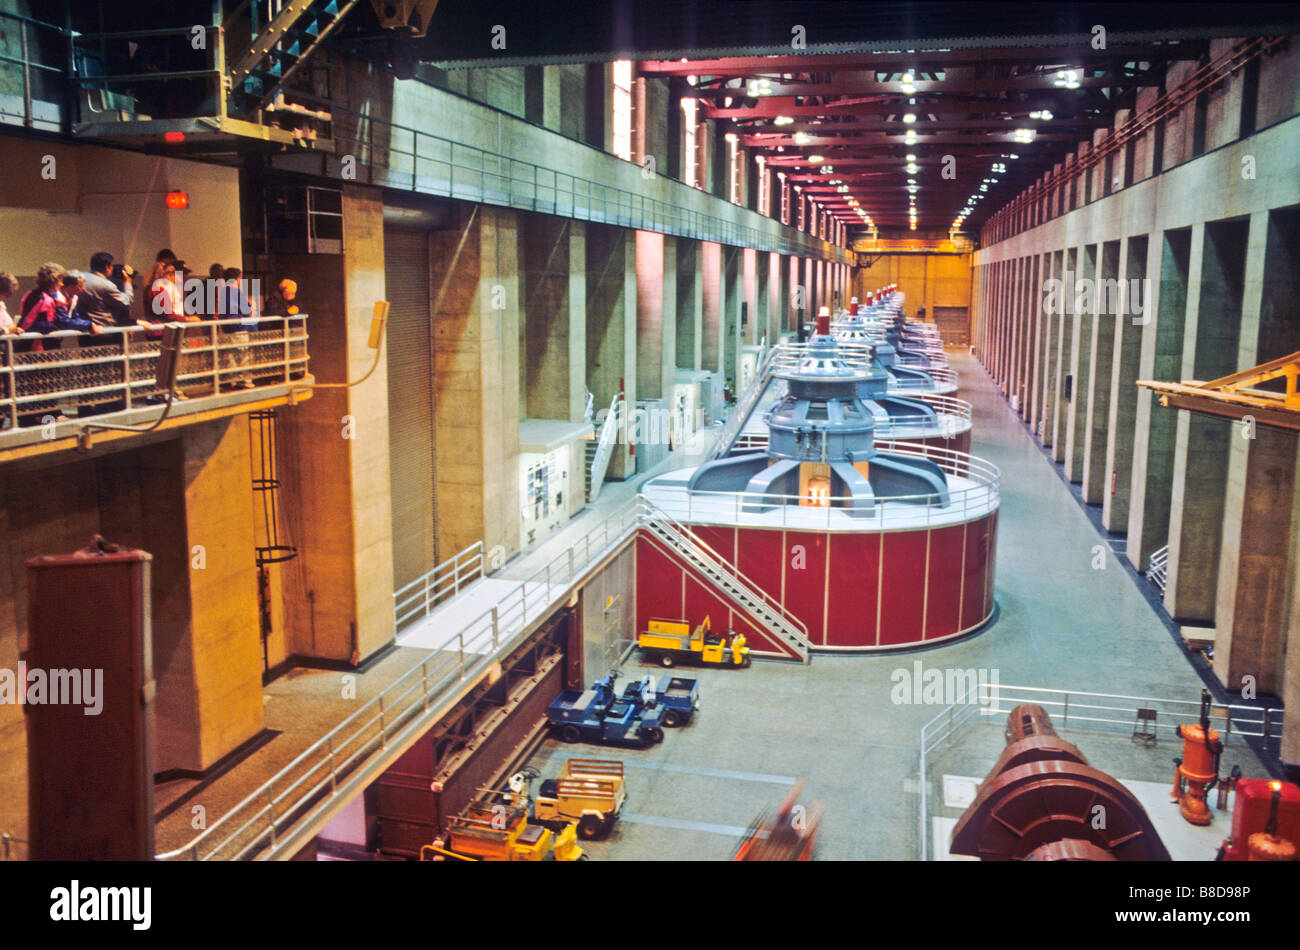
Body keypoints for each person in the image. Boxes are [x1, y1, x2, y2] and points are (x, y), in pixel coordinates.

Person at [219, 266, 256, 390]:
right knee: (244, 355)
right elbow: (247, 310)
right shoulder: (236, 292)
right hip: (239, 327)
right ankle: (246, 380)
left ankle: (233, 381)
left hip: (227, 328)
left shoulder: (223, 292)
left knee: (231, 356)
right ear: (237, 278)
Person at [78, 252, 136, 329]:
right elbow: (126, 302)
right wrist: (128, 282)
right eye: (112, 266)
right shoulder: (106, 285)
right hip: (104, 329)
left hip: (84, 328)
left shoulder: (80, 277)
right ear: (107, 268)